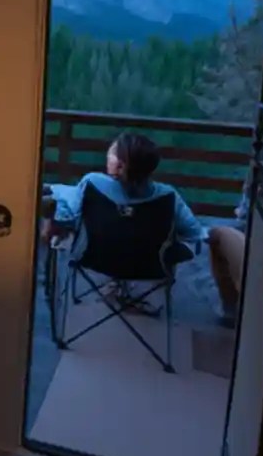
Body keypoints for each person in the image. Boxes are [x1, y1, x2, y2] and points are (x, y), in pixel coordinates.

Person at [48, 131, 243, 321]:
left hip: (95, 259)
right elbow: (193, 233)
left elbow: (68, 216)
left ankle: (115, 287)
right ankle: (230, 308)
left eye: (112, 152)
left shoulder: (93, 184)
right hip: (149, 267)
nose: (108, 154)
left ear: (119, 165)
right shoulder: (167, 197)